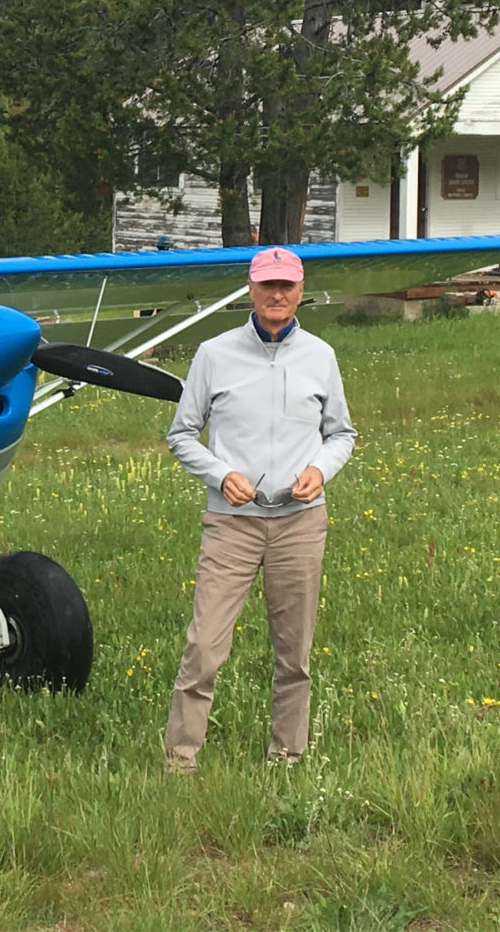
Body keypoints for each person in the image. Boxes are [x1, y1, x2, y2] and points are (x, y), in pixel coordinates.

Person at [163, 246, 356, 772]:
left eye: (286, 286)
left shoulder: (321, 356)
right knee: (203, 646)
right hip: (232, 525)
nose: (277, 295)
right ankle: (180, 761)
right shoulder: (214, 354)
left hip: (299, 521)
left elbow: (341, 434)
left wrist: (320, 469)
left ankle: (287, 758)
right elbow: (181, 435)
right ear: (250, 288)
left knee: (294, 653)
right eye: (267, 285)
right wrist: (221, 474)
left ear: (300, 290)